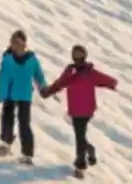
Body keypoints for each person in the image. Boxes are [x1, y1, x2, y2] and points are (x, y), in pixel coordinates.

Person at [42, 45, 119, 178]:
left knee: (79, 137)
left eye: (79, 55)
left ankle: (80, 166)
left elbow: (105, 80)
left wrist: (112, 83)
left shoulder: (90, 72)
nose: (77, 58)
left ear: (84, 56)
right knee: (80, 135)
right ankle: (89, 149)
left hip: (86, 110)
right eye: (75, 55)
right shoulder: (70, 72)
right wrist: (48, 91)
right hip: (76, 110)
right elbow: (60, 83)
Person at [0, 30, 48, 165]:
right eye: (13, 43)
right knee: (7, 118)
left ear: (25, 44)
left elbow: (38, 75)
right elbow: (3, 77)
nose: (16, 46)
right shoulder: (7, 58)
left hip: (25, 95)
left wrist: (43, 87)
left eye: (19, 43)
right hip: (10, 94)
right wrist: (2, 93)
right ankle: (6, 143)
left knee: (24, 123)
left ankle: (27, 154)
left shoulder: (31, 59)